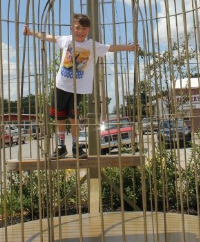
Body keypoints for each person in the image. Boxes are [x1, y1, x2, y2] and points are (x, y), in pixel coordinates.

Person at [23, 14, 139, 157]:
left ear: (88, 30)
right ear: (72, 28)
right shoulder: (66, 40)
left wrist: (130, 47)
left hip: (78, 90)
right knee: (59, 117)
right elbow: (48, 37)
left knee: (74, 118)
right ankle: (61, 146)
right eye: (77, 28)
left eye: (84, 29)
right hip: (61, 86)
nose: (80, 31)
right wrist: (31, 32)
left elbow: (110, 48)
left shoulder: (92, 46)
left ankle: (76, 146)